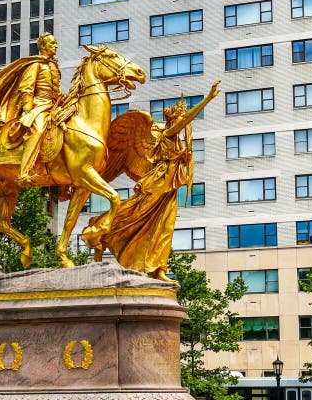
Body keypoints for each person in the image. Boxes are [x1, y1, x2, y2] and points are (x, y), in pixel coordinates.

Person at [83, 81, 220, 281]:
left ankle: (158, 269)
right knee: (131, 214)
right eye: (179, 117)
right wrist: (207, 99)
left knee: (164, 228)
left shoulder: (176, 138)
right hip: (157, 184)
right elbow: (185, 121)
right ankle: (98, 234)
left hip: (169, 189)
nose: (182, 120)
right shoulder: (167, 134)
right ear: (173, 120)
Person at [0, 32, 64, 184]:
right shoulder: (35, 64)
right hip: (38, 106)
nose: (56, 46)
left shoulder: (54, 66)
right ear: (43, 46)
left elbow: (56, 91)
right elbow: (27, 88)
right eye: (52, 43)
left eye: (56, 43)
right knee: (38, 131)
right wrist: (27, 110)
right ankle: (24, 171)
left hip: (53, 106)